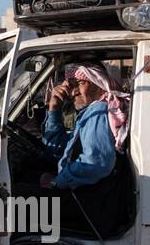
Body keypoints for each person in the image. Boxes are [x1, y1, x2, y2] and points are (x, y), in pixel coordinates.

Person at [39, 62, 130, 190]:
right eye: (71, 85)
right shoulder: (88, 112)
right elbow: (59, 149)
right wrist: (54, 109)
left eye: (81, 83)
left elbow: (96, 163)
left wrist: (57, 182)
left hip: (88, 198)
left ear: (99, 84)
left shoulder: (97, 111)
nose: (74, 91)